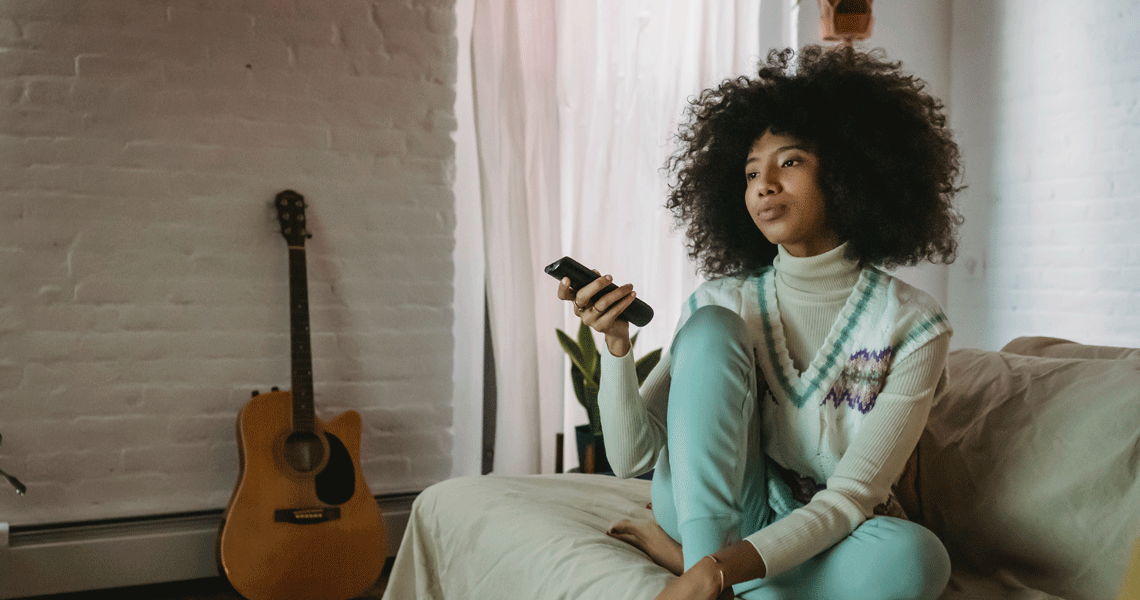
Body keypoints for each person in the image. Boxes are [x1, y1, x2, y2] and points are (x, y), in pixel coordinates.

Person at [556, 45, 962, 600]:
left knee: (918, 558)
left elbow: (849, 499)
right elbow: (632, 459)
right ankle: (707, 565)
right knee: (712, 330)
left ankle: (705, 575)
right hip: (716, 515)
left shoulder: (914, 325)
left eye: (789, 162)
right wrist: (616, 346)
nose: (764, 184)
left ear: (848, 172)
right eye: (751, 173)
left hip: (821, 531)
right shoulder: (718, 301)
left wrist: (713, 572)